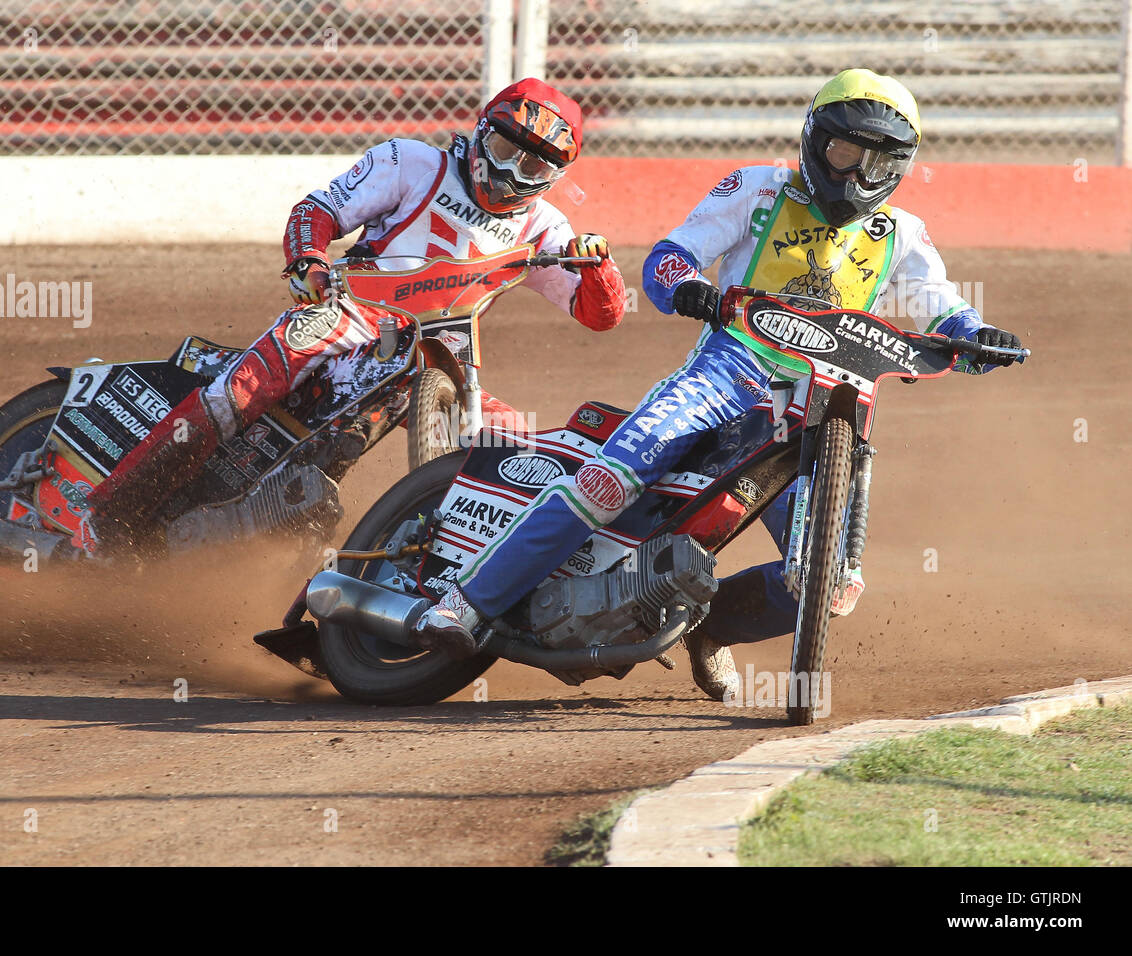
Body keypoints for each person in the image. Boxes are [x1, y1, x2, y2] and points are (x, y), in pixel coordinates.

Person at [414, 69, 1024, 698]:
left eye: (878, 164)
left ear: (901, 167)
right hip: (727, 371)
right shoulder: (757, 187)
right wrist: (687, 285)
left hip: (822, 406)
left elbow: (940, 304)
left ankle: (706, 626)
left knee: (830, 581)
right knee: (609, 479)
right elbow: (669, 256)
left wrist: (978, 336)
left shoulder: (901, 234)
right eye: (845, 154)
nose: (856, 178)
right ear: (816, 141)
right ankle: (467, 602)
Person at [84, 78, 627, 554]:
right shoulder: (414, 162)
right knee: (247, 386)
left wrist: (598, 266)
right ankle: (106, 516)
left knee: (520, 451)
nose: (511, 169)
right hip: (351, 315)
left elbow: (601, 317)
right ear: (483, 132)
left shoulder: (548, 228)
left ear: (554, 174)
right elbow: (316, 211)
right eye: (506, 146)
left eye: (532, 162)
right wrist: (309, 263)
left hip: (443, 360)